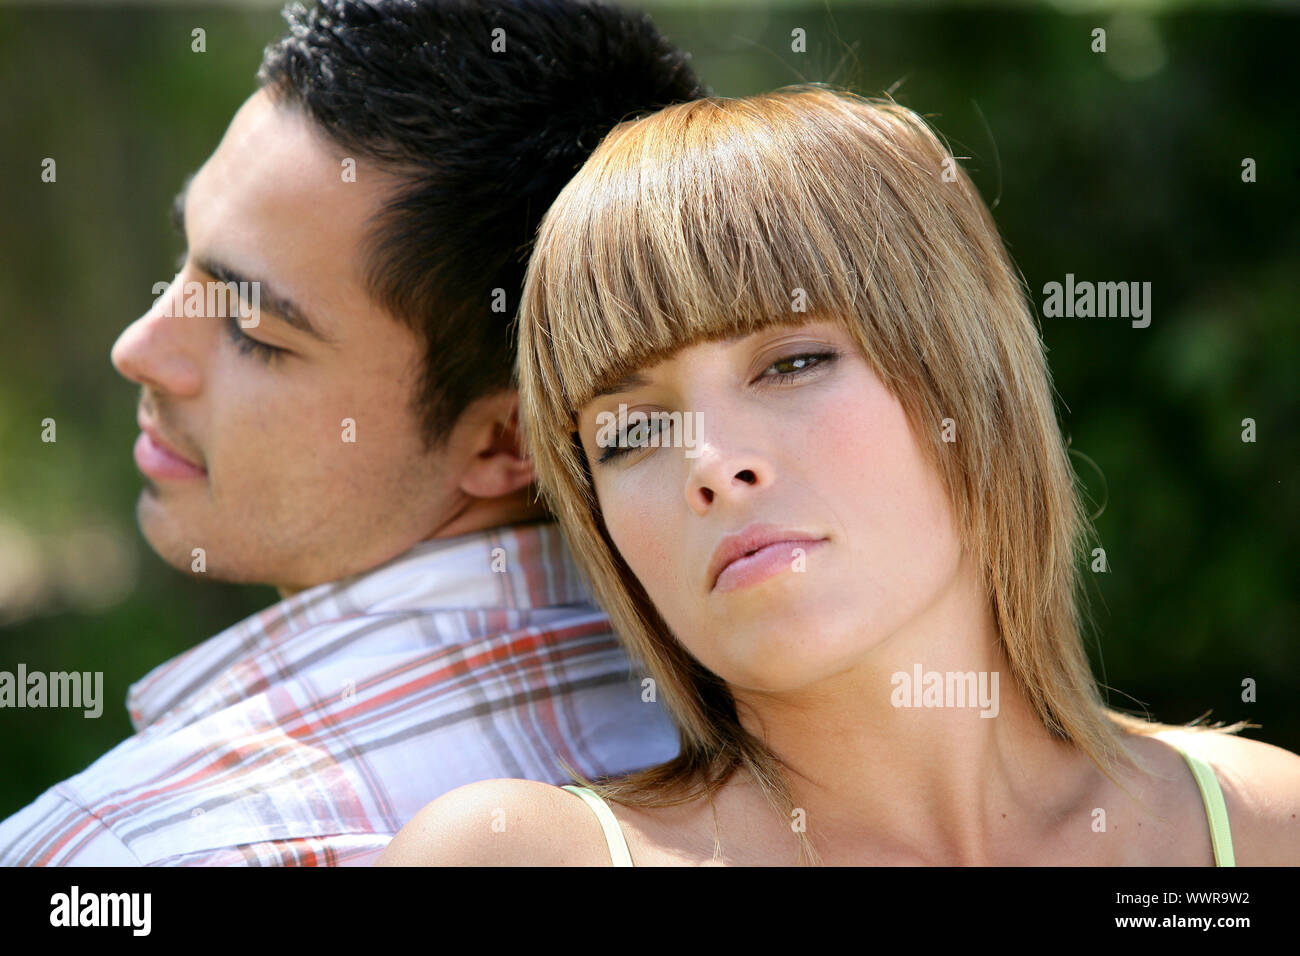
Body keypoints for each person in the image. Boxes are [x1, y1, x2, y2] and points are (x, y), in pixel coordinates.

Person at [378, 86, 1300, 866]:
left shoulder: (1260, 830)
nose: (710, 464)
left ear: (967, 372)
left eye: (790, 365)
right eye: (630, 430)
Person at [0, 0, 706, 866]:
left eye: (254, 331)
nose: (139, 349)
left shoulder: (128, 848)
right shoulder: (748, 736)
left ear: (505, 444)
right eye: (182, 256)